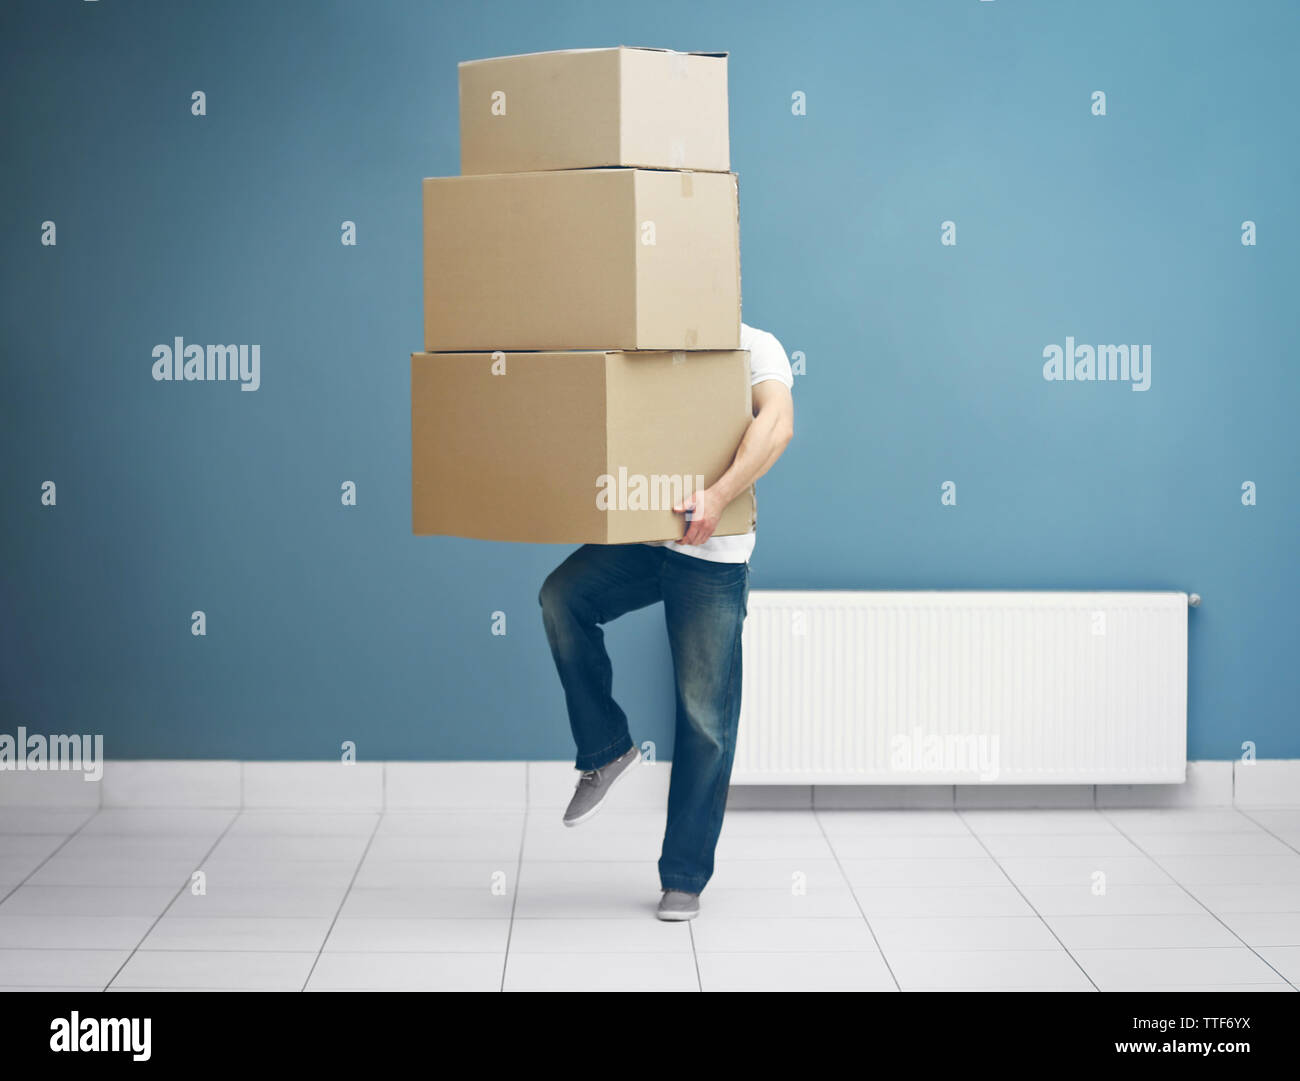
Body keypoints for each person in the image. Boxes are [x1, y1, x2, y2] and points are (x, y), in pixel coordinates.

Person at [538, 322, 795, 920]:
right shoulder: (639, 342)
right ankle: (606, 749)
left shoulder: (755, 345)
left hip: (711, 549)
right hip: (648, 539)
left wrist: (721, 492)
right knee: (562, 598)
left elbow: (778, 422)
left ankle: (684, 875)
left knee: (705, 717)